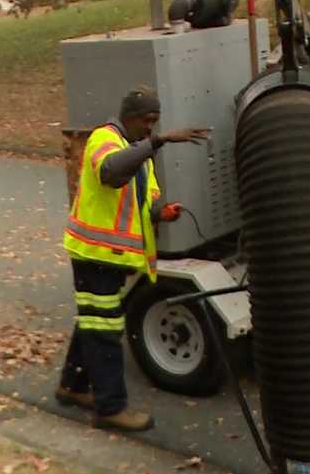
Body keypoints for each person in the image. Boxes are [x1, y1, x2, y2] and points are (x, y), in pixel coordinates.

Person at [57, 85, 210, 431]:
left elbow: (146, 198)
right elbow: (110, 173)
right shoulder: (104, 139)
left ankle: (72, 386)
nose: (151, 129)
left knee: (93, 322)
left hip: (109, 256)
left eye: (155, 124)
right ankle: (111, 408)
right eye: (148, 121)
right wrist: (157, 143)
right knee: (106, 329)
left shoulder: (138, 151)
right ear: (130, 117)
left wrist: (161, 211)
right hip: (93, 253)